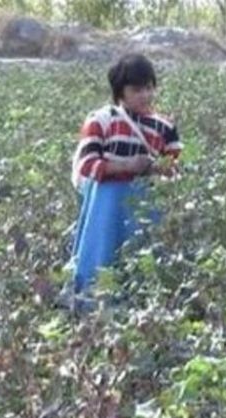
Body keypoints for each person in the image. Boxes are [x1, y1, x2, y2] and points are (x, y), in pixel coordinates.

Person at [69, 53, 181, 296]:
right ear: (121, 91)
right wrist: (128, 166)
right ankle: (90, 299)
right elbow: (87, 165)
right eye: (137, 89)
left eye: (149, 88)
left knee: (144, 262)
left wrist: (161, 168)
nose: (146, 95)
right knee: (101, 258)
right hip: (105, 207)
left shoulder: (164, 127)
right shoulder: (100, 120)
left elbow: (177, 165)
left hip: (145, 206)